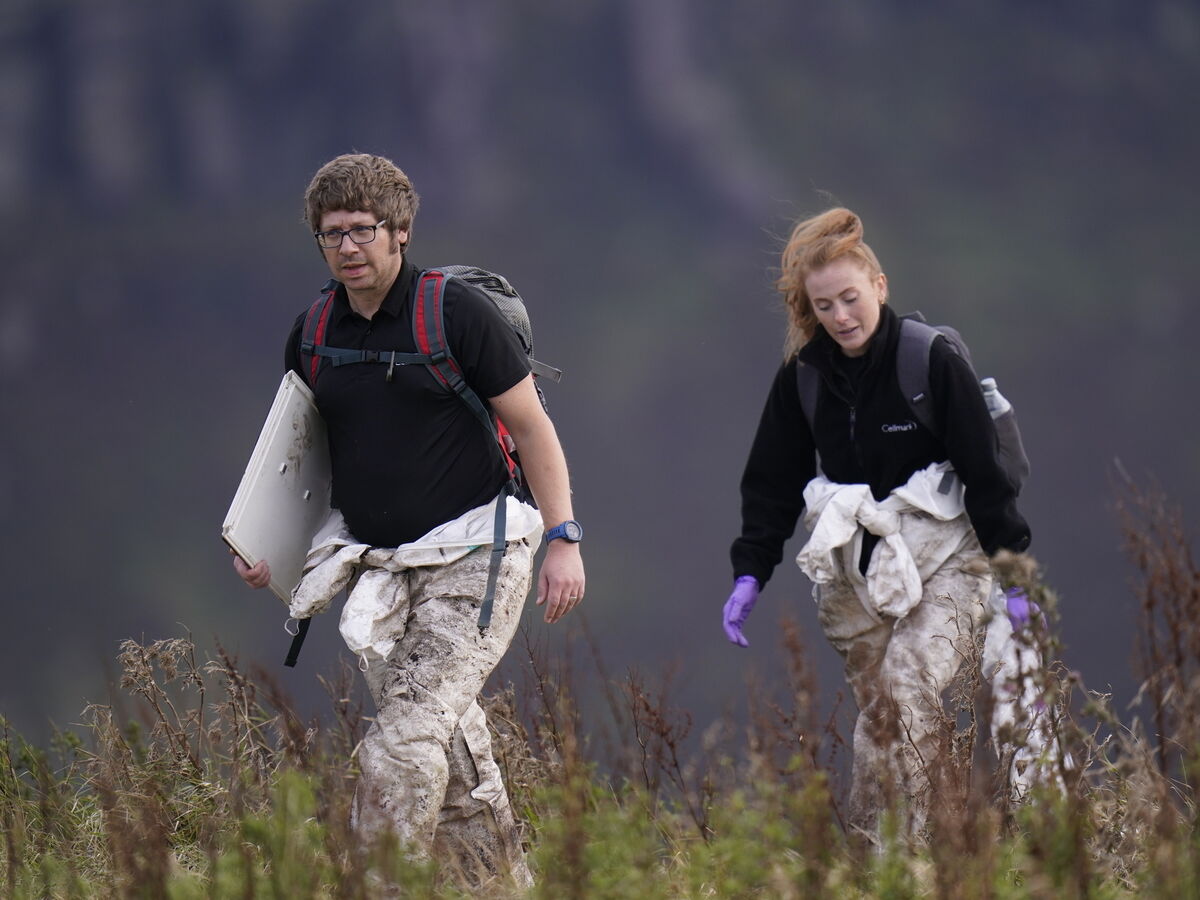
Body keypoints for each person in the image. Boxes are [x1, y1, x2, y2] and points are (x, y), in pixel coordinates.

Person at [233, 153, 585, 885]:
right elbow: (298, 461)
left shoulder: (455, 314)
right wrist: (265, 550)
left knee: (405, 740)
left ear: (400, 232)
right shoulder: (315, 331)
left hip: (478, 555)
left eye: (363, 230)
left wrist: (563, 539)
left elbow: (532, 427)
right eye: (332, 234)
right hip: (383, 568)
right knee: (453, 764)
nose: (348, 247)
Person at [723, 207, 1030, 841]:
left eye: (851, 298)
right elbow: (771, 481)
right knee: (887, 717)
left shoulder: (931, 359)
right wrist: (750, 572)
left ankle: (873, 855)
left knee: (903, 691)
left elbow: (986, 472)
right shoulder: (805, 378)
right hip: (860, 573)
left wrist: (1014, 575)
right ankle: (935, 848)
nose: (841, 316)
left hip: (953, 560)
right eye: (826, 305)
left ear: (880, 287)